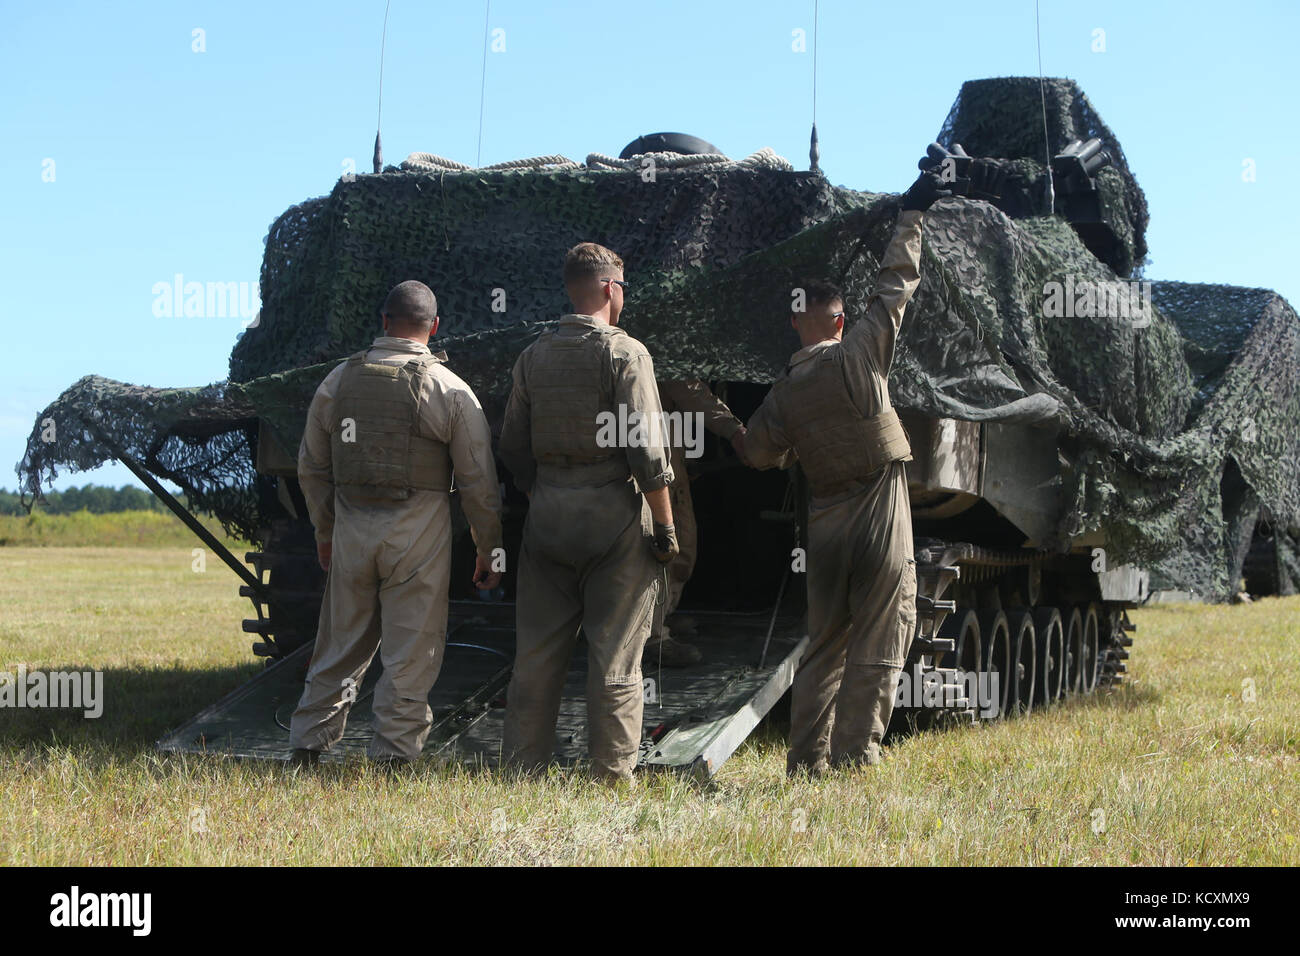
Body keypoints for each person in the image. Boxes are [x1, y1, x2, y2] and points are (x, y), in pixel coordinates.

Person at [738, 157, 964, 775]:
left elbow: (757, 453)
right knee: (881, 638)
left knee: (824, 645)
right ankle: (854, 760)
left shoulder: (784, 391)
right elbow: (897, 283)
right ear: (839, 321)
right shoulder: (861, 352)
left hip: (826, 520)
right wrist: (914, 209)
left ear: (794, 322)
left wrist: (717, 416)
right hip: (880, 511)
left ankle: (805, 762)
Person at [289, 280, 504, 767]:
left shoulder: (338, 381)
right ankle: (392, 756)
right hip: (416, 535)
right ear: (434, 327)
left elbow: (311, 466)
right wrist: (489, 547)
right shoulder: (449, 388)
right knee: (411, 648)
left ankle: (306, 746)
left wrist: (326, 534)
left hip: (351, 531)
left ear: (384, 322)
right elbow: (478, 480)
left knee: (340, 643)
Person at [498, 241, 678, 785]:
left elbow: (510, 445)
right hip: (613, 515)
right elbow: (648, 451)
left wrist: (542, 492)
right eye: (621, 287)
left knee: (535, 656)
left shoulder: (533, 355)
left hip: (548, 514)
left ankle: (521, 772)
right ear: (608, 288)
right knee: (617, 655)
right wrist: (666, 525)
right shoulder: (626, 354)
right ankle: (611, 777)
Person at [643, 379, 746, 667]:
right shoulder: (642, 347)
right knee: (664, 547)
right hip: (653, 454)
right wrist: (733, 429)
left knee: (679, 549)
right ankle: (652, 636)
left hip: (664, 450)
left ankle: (663, 614)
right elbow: (688, 390)